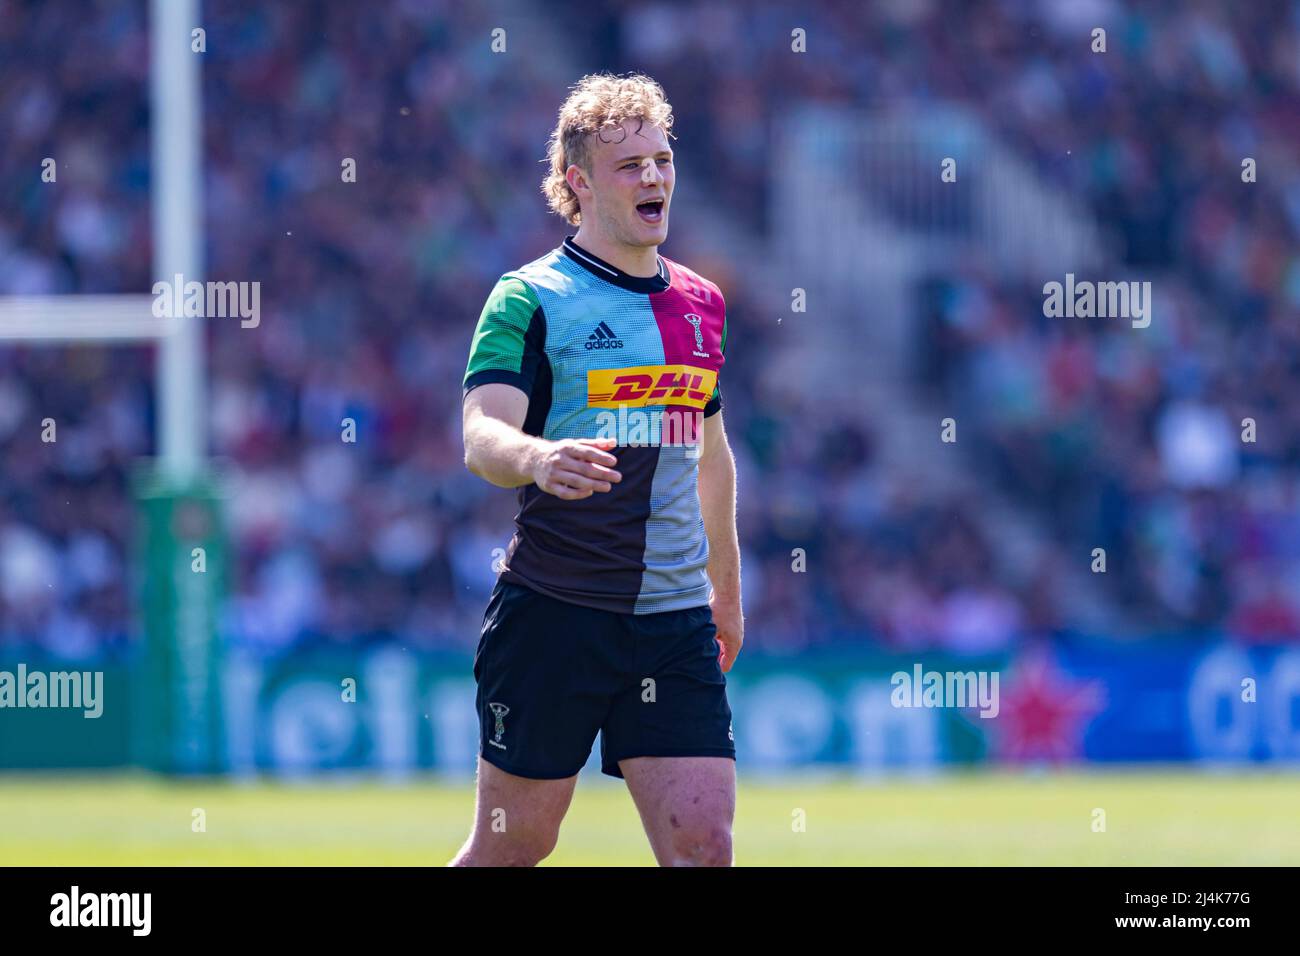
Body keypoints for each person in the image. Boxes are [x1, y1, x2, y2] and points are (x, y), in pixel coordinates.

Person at [453, 73, 743, 866]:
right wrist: (538, 457)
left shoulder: (701, 304)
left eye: (661, 160)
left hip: (675, 622)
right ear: (578, 184)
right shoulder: (528, 298)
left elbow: (710, 457)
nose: (653, 177)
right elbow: (482, 433)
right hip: (557, 612)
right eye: (630, 166)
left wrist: (727, 592)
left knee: (704, 848)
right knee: (514, 848)